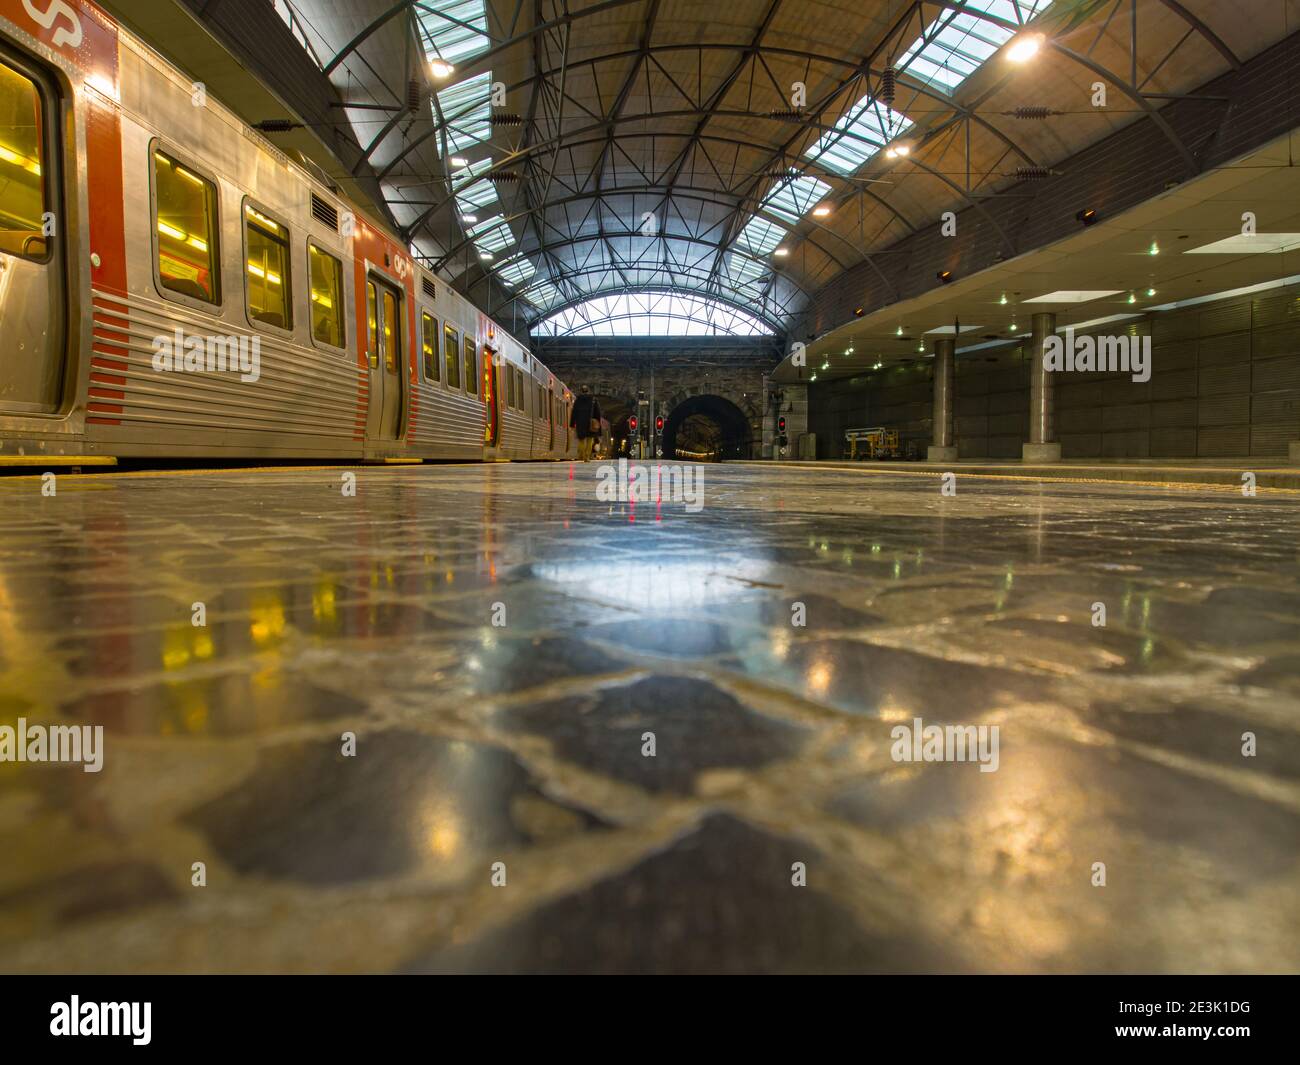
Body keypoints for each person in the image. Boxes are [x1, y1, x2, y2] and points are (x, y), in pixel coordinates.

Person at [570, 385, 602, 461]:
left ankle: (582, 454)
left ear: (581, 391)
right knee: (590, 440)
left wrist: (572, 423)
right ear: (588, 391)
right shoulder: (593, 399)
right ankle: (587, 456)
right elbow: (598, 412)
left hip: (580, 423)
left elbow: (574, 412)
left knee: (581, 440)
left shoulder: (578, 400)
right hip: (590, 423)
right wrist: (597, 423)